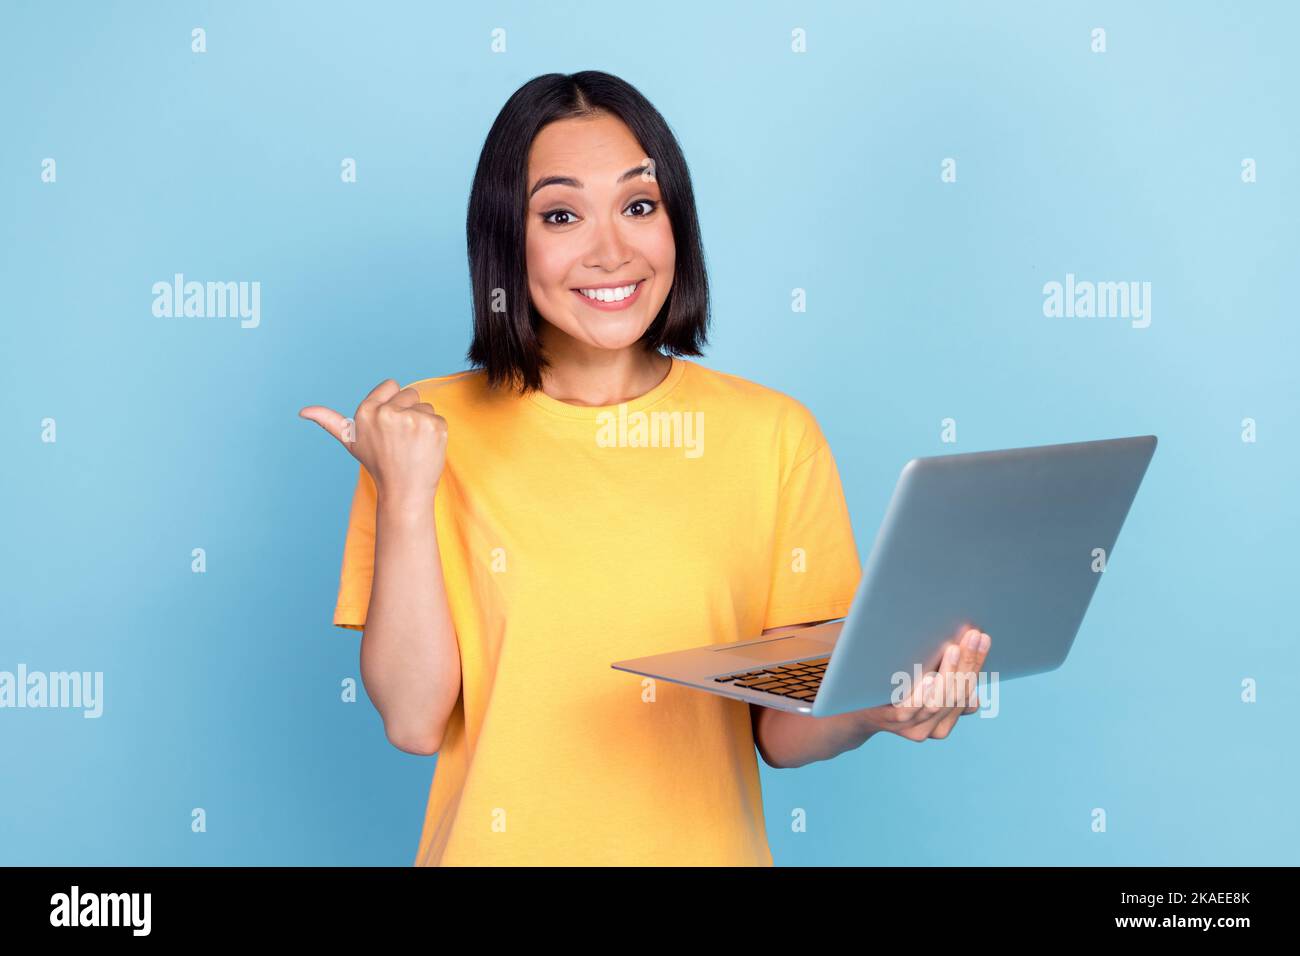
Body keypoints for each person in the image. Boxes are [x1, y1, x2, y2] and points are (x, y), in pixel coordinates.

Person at [299, 71, 991, 866]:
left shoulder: (773, 435)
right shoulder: (419, 433)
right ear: (504, 238)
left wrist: (882, 706)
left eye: (639, 206)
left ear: (676, 223)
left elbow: (783, 728)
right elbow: (414, 721)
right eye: (561, 215)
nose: (612, 251)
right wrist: (408, 495)